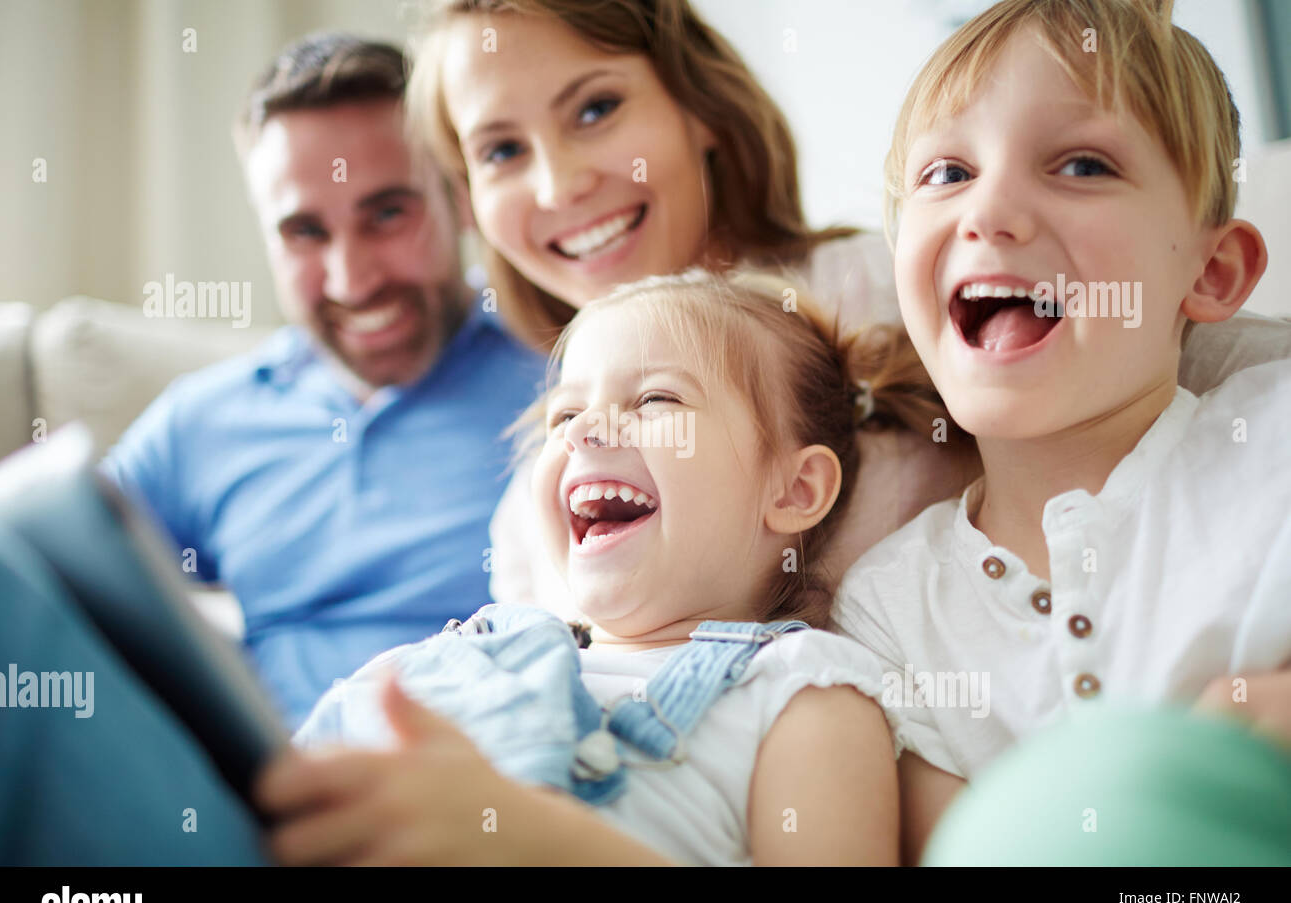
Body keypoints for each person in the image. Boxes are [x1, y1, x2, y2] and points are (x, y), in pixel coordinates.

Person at [409, 0, 1291, 625]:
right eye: (500, 151)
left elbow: (1182, 359)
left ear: (697, 107)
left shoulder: (897, 277)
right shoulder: (543, 503)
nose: (560, 183)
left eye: (596, 109)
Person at [253, 269, 940, 865]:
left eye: (655, 401)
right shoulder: (460, 659)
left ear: (793, 491)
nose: (583, 430)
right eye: (567, 412)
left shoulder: (802, 692)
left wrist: (536, 839)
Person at [830, 0, 1291, 865]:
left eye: (1081, 164)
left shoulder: (1273, 445)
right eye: (946, 174)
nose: (991, 211)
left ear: (1212, 271)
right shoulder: (888, 609)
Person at [101, 33, 545, 728]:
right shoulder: (204, 422)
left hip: (504, 785)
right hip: (269, 803)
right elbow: (49, 577)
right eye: (305, 231)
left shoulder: (570, 370)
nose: (353, 280)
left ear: (458, 197)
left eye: (388, 214)